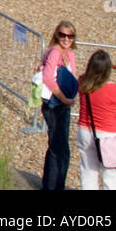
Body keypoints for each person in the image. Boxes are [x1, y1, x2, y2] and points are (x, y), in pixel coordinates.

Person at [78, 49, 116, 190]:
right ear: (108, 70)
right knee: (111, 176)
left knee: (88, 170)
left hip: (84, 131)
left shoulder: (82, 82)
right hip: (108, 135)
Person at [40, 20, 79, 190]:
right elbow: (47, 78)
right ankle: (53, 186)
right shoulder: (55, 52)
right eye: (62, 35)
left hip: (62, 104)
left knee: (59, 146)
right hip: (54, 104)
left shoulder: (70, 54)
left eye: (70, 36)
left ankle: (53, 184)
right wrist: (64, 99)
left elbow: (72, 78)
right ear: (57, 34)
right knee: (59, 147)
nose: (66, 39)